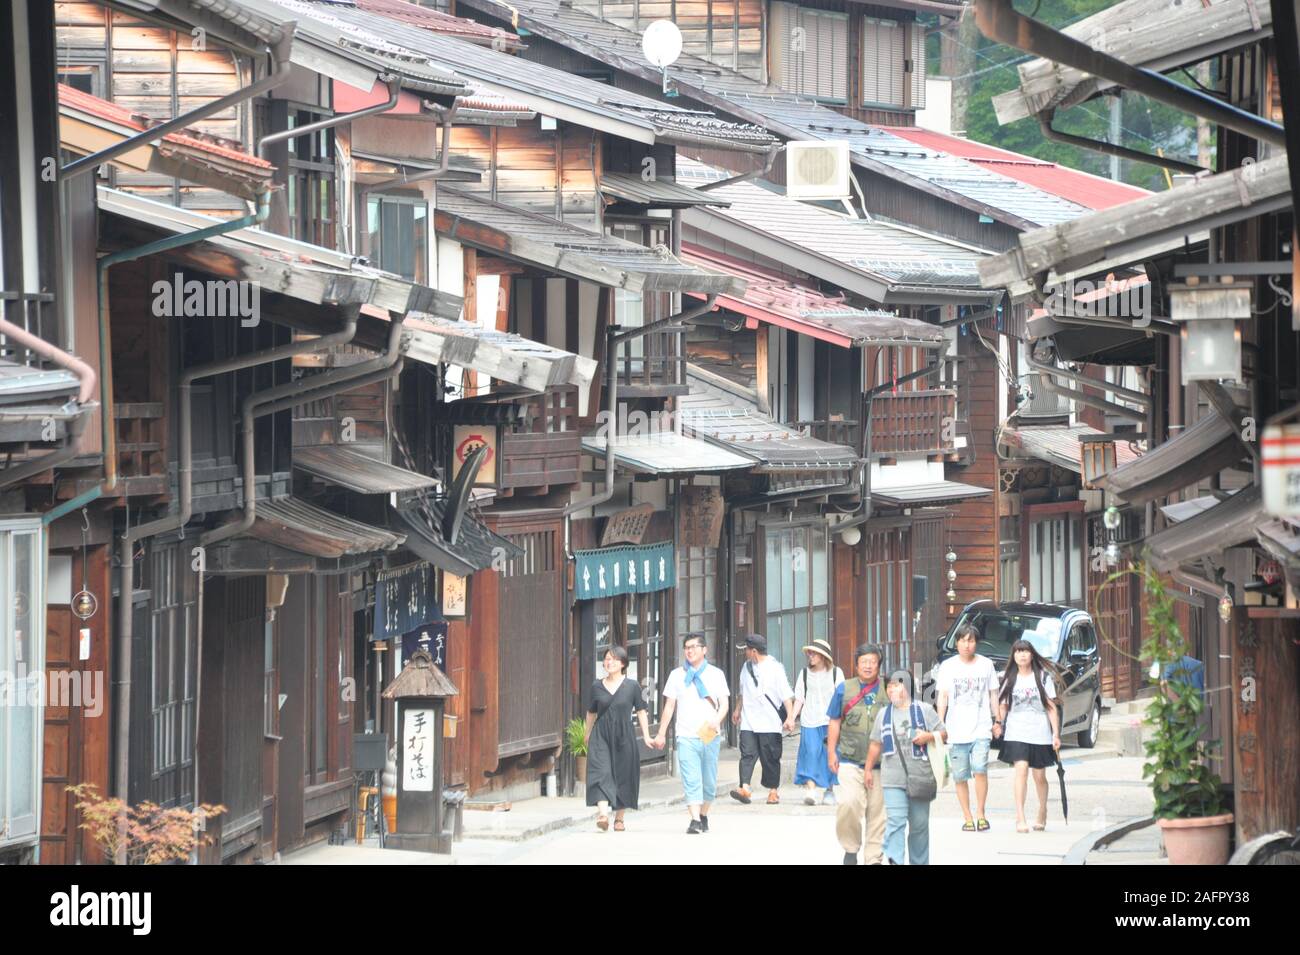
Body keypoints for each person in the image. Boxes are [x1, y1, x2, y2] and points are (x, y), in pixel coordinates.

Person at [866, 670, 947, 865]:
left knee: (919, 825)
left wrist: (927, 736)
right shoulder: (883, 714)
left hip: (921, 776)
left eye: (896, 685)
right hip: (892, 778)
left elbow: (943, 734)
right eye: (889, 686)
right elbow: (875, 744)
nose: (891, 689)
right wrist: (868, 769)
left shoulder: (924, 710)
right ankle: (895, 860)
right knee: (895, 821)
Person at [654, 632, 729, 834]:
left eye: (694, 647)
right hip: (685, 735)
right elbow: (669, 706)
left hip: (709, 734)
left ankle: (703, 814)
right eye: (687, 647)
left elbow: (724, 704)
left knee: (709, 782)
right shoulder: (676, 675)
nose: (690, 651)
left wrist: (717, 720)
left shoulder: (716, 674)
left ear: (704, 650)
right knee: (691, 779)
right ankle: (695, 820)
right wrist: (661, 733)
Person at [826, 644, 888, 865]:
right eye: (864, 662)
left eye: (873, 662)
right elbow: (834, 721)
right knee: (848, 803)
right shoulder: (844, 689)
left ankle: (873, 858)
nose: (868, 666)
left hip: (882, 763)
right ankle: (850, 848)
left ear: (879, 665)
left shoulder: (889, 688)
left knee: (878, 815)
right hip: (849, 760)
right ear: (856, 665)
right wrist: (831, 752)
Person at [935, 623, 1001, 832]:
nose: (966, 645)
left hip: (981, 726)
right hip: (956, 730)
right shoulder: (948, 666)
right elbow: (943, 696)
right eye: (963, 640)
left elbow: (993, 694)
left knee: (980, 769)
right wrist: (941, 724)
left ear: (976, 643)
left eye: (970, 640)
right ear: (957, 643)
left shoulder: (986, 664)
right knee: (960, 775)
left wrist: (997, 720)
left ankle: (981, 813)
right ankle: (967, 816)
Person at [585, 645, 654, 832]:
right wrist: (587, 734)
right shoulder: (596, 686)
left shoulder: (632, 686)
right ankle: (603, 814)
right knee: (600, 772)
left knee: (623, 775)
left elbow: (641, 711)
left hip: (624, 734)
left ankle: (619, 818)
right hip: (601, 734)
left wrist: (647, 736)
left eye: (614, 659)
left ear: (623, 663)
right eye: (607, 659)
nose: (609, 662)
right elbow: (591, 712)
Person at [996, 639, 1061, 833]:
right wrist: (998, 723)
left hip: (1040, 732)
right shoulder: (1008, 678)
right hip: (1016, 732)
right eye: (1018, 652)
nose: (1022, 655)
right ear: (1013, 656)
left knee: (1039, 775)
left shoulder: (1042, 677)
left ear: (1032, 654)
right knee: (1021, 770)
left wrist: (1056, 734)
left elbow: (1051, 707)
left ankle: (1042, 810)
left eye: (1025, 651)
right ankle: (1020, 817)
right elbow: (1003, 705)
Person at [730, 633, 795, 805]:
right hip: (749, 720)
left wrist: (790, 717)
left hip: (770, 721)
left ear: (754, 651)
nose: (745, 652)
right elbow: (742, 692)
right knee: (747, 754)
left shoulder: (775, 668)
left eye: (746, 649)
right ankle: (745, 787)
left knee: (770, 757)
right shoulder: (746, 667)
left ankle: (773, 791)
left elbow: (786, 696)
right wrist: (737, 710)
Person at [789, 639, 844, 806]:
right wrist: (791, 717)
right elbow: (799, 698)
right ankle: (811, 790)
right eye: (809, 653)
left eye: (813, 653)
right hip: (810, 720)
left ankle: (829, 790)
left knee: (830, 754)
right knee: (811, 753)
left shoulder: (836, 673)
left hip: (830, 721)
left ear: (823, 656)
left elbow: (842, 697)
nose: (810, 656)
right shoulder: (804, 673)